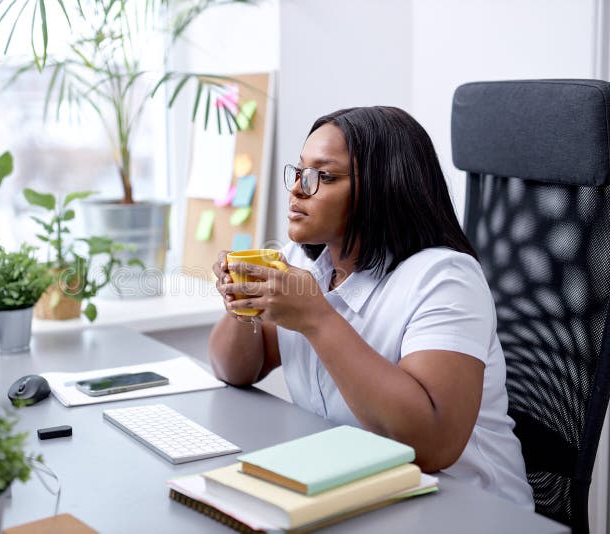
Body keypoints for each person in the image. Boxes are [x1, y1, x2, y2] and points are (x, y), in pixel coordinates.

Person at [208, 106, 534, 507]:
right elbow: (237, 369)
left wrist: (316, 319)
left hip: (467, 508)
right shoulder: (307, 262)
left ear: (384, 187)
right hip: (361, 490)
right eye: (299, 172)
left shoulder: (446, 279)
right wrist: (241, 303)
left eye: (323, 177)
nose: (297, 189)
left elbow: (432, 444)